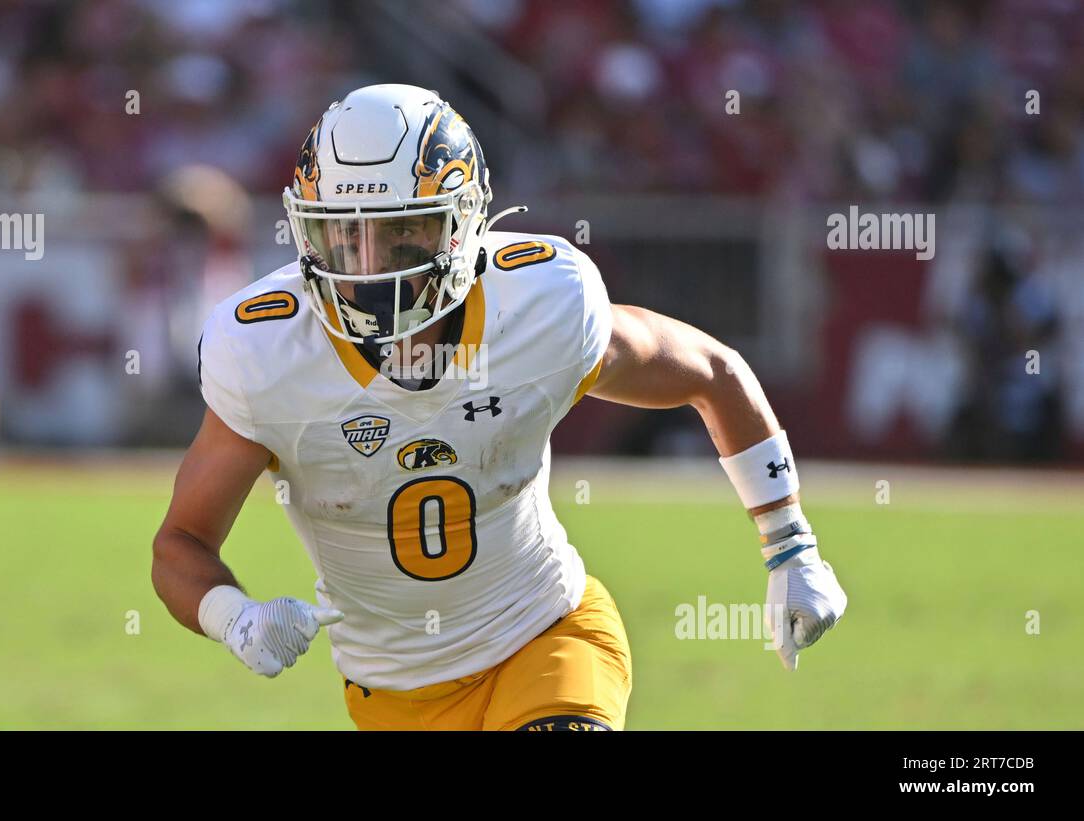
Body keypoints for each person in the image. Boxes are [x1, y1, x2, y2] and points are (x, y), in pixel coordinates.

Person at [152, 84, 847, 730]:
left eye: (401, 234)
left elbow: (712, 372)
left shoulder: (537, 308)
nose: (369, 268)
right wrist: (232, 615)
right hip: (393, 696)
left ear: (460, 227)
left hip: (545, 634)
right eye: (345, 235)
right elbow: (181, 543)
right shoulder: (269, 352)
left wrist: (791, 544)